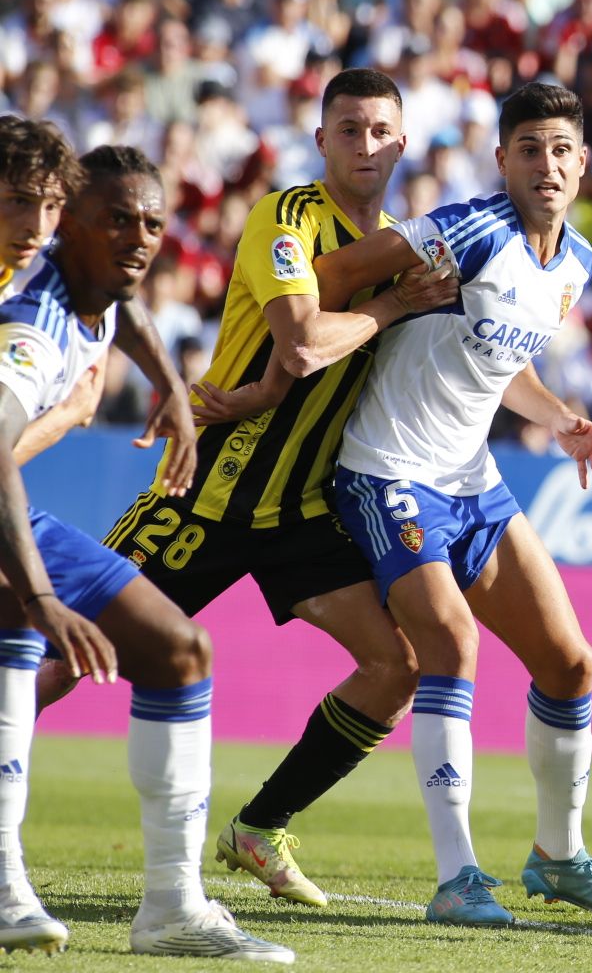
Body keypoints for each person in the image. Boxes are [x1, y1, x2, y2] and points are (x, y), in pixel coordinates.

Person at [52, 71, 454, 910]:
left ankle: (260, 827)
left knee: (395, 665)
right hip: (209, 489)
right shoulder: (290, 217)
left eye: (382, 130)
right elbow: (303, 345)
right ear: (321, 141)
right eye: (350, 129)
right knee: (70, 654)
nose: (367, 145)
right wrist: (390, 311)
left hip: (302, 509)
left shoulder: (402, 252)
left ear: (404, 143)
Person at [309, 82, 592, 924]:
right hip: (388, 470)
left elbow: (502, 362)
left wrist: (562, 418)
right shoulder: (467, 227)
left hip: (473, 479)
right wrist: (379, 309)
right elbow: (329, 276)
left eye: (561, 149)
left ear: (583, 163)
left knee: (571, 664)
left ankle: (559, 858)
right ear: (503, 160)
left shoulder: (575, 263)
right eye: (528, 148)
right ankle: (458, 878)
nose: (546, 164)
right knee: (451, 647)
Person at [0, 140, 292, 961]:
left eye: (152, 222)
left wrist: (173, 390)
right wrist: (41, 597)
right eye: (115, 220)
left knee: (178, 648)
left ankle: (170, 905)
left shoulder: (85, 285)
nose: (138, 237)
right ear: (72, 228)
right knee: (25, 630)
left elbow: (124, 308)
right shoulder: (36, 324)